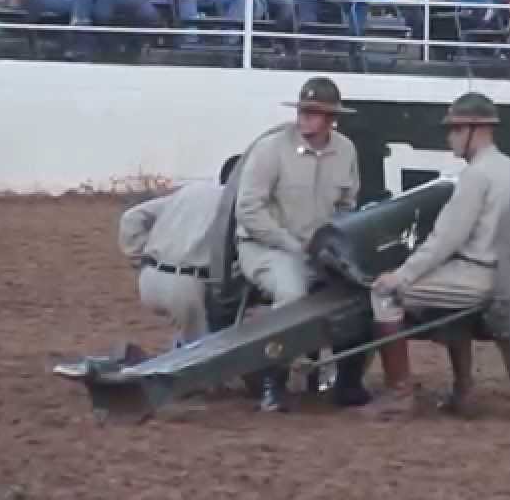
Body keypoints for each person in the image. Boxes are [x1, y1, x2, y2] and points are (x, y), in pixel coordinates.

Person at [365, 92, 510, 418]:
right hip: (507, 275)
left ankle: (400, 394)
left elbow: (445, 241)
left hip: (477, 274)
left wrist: (403, 276)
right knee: (447, 296)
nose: (449, 137)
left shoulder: (476, 176)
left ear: (475, 130)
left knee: (383, 294)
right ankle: (463, 390)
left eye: (454, 129)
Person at [235, 76, 360, 411]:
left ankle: (348, 381)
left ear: (332, 119)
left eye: (314, 112)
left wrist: (331, 244)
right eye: (303, 110)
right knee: (292, 292)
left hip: (317, 251)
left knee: (361, 292)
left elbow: (348, 206)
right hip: (265, 247)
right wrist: (290, 244)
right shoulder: (270, 150)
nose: (305, 117)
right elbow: (248, 209)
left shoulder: (346, 150)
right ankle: (272, 384)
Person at [118, 155, 240, 350]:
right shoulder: (239, 202)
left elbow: (132, 217)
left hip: (149, 281)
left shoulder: (192, 191)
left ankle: (179, 346)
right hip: (185, 289)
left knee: (191, 337)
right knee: (200, 355)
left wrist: (137, 255)